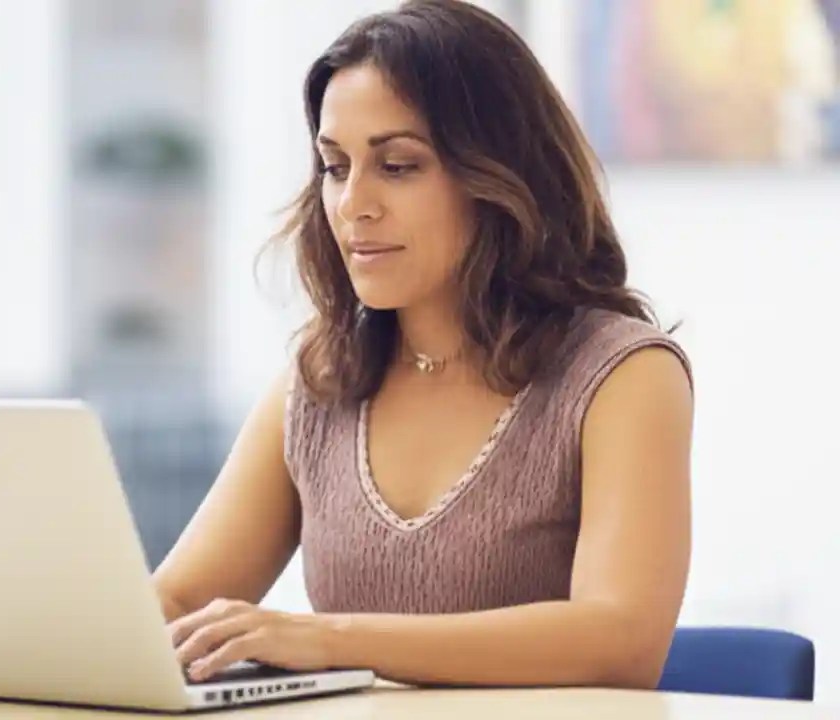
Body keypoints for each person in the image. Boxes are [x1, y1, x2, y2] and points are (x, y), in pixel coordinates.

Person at [153, 0, 694, 689]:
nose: (354, 204)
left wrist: (328, 639)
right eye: (335, 166)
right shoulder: (320, 378)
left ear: (498, 175)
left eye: (399, 166)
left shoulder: (623, 374)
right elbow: (176, 602)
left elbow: (620, 639)